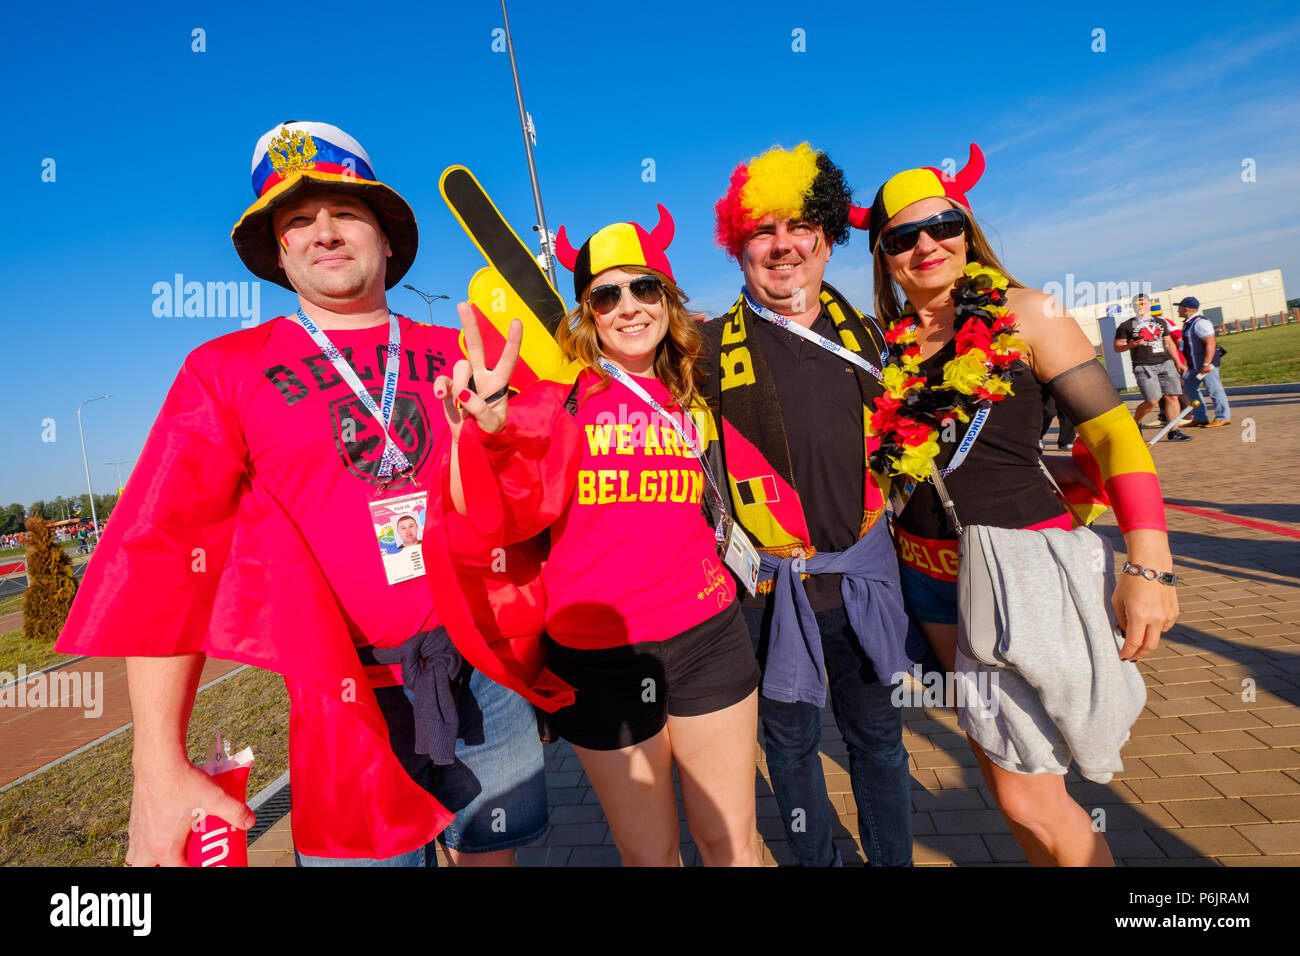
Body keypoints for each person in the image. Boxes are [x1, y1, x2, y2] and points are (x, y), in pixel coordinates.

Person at [56, 121, 547, 867]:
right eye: (297, 221)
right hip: (343, 699)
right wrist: (157, 764)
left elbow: (551, 490)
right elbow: (157, 564)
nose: (323, 230)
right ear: (281, 257)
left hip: (479, 669)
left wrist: (500, 434)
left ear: (386, 239)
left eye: (345, 212)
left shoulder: (467, 354)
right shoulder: (223, 372)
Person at [859, 144, 1179, 865]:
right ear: (885, 258)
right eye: (902, 238)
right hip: (929, 578)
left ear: (967, 230)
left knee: (1029, 791)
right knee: (1011, 780)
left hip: (1024, 570)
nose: (925, 246)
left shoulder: (1027, 312)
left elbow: (1115, 435)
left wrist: (1150, 563)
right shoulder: (895, 347)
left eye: (941, 225)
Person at [435, 207, 762, 866]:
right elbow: (488, 509)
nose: (629, 306)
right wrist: (483, 430)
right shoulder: (558, 402)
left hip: (709, 632)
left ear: (668, 299)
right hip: (600, 653)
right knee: (650, 854)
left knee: (733, 844)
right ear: (587, 313)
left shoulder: (693, 387)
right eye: (606, 295)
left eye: (644, 288)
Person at [702, 143, 922, 867]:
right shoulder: (703, 351)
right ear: (739, 248)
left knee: (881, 746)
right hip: (767, 597)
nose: (782, 245)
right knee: (791, 753)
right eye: (761, 231)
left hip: (866, 581)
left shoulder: (879, 341)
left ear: (827, 240)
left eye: (799, 227)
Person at [1114, 293, 1191, 441]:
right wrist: (1131, 345)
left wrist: (1178, 362)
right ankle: (1135, 422)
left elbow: (1168, 343)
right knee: (1152, 400)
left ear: (1150, 305)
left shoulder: (1160, 322)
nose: (1141, 306)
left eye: (1144, 303)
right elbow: (1117, 347)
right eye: (1138, 304)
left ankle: (1173, 431)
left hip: (1165, 363)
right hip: (1143, 366)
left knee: (1172, 396)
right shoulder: (1126, 326)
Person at [1177, 297, 1232, 427]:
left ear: (1186, 308)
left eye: (1179, 307)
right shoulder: (1189, 323)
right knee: (1189, 389)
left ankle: (1223, 416)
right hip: (1194, 366)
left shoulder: (1200, 323)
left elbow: (1210, 342)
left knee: (1214, 389)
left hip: (1205, 365)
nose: (1177, 309)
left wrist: (1206, 364)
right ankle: (1200, 417)